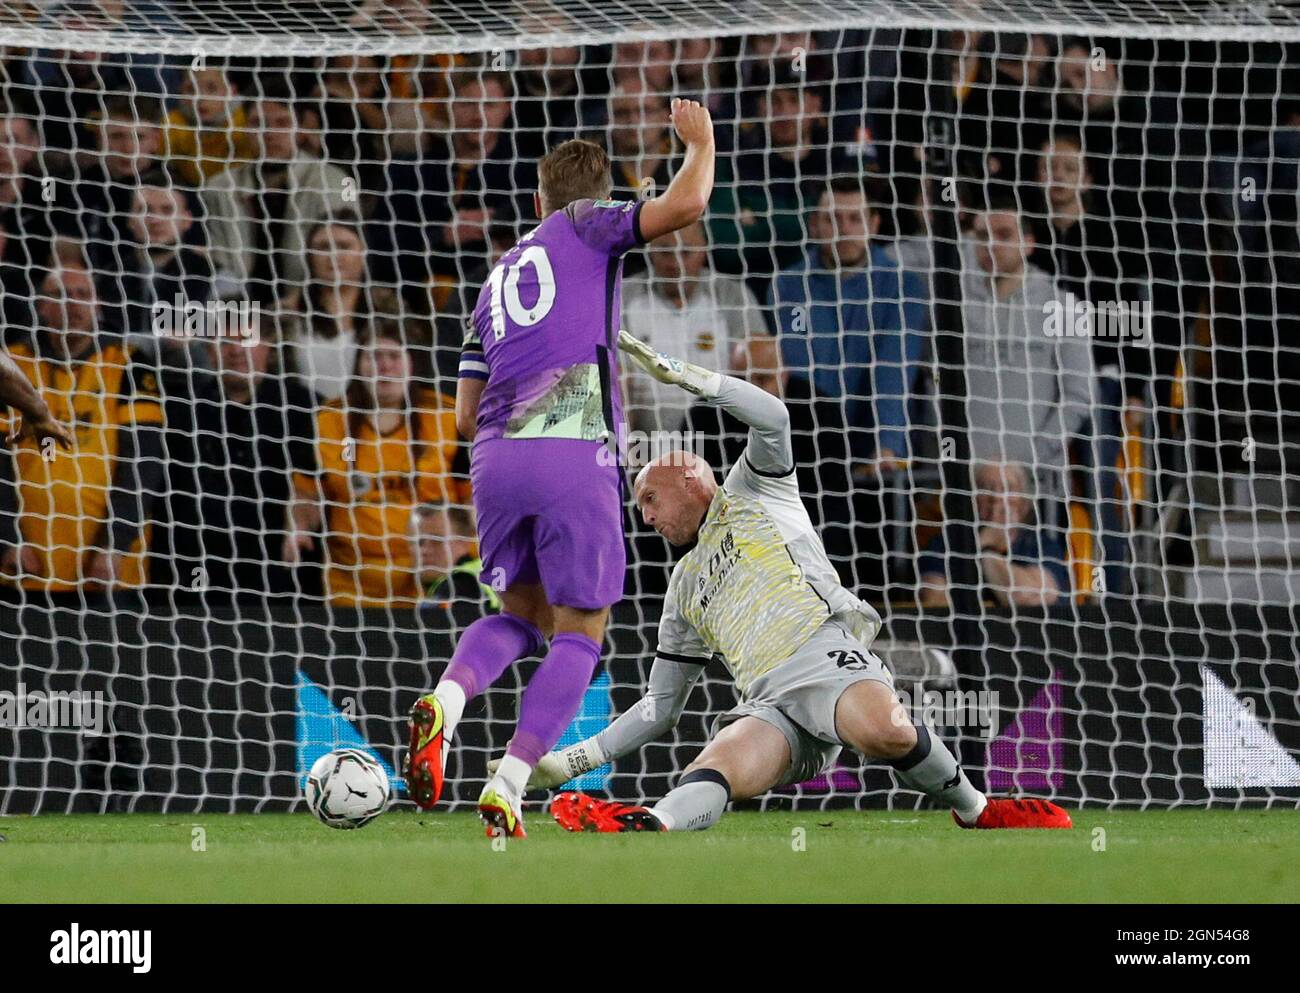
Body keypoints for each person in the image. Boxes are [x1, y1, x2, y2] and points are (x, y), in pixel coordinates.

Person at [512, 330, 1071, 833]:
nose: (647, 517)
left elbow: (773, 417)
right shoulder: (681, 588)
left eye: (650, 499)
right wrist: (570, 761)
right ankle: (646, 825)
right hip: (767, 703)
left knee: (889, 732)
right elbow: (660, 708)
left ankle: (978, 809)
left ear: (690, 476)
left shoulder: (753, 491)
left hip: (820, 655)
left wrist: (685, 375)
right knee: (715, 764)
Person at [404, 98, 716, 839]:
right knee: (581, 630)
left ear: (534, 200)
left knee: (519, 615)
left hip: (493, 455)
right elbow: (686, 203)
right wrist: (698, 144)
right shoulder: (590, 224)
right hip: (571, 436)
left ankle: (446, 701)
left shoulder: (494, 279)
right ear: (596, 196)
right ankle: (509, 781)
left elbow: (459, 415)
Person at [283, 325, 459, 606]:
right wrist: (298, 528)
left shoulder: (446, 417)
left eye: (393, 355)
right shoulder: (329, 420)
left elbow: (472, 499)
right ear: (359, 365)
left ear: (412, 362)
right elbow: (306, 493)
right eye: (374, 356)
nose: (384, 365)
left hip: (429, 582)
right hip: (350, 583)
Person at [917, 461, 1070, 610]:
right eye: (987, 488)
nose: (996, 498)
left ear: (1023, 504)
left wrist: (987, 551)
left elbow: (1031, 599)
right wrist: (982, 541)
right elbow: (934, 602)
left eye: (1008, 488)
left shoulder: (1041, 545)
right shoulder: (942, 545)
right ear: (972, 500)